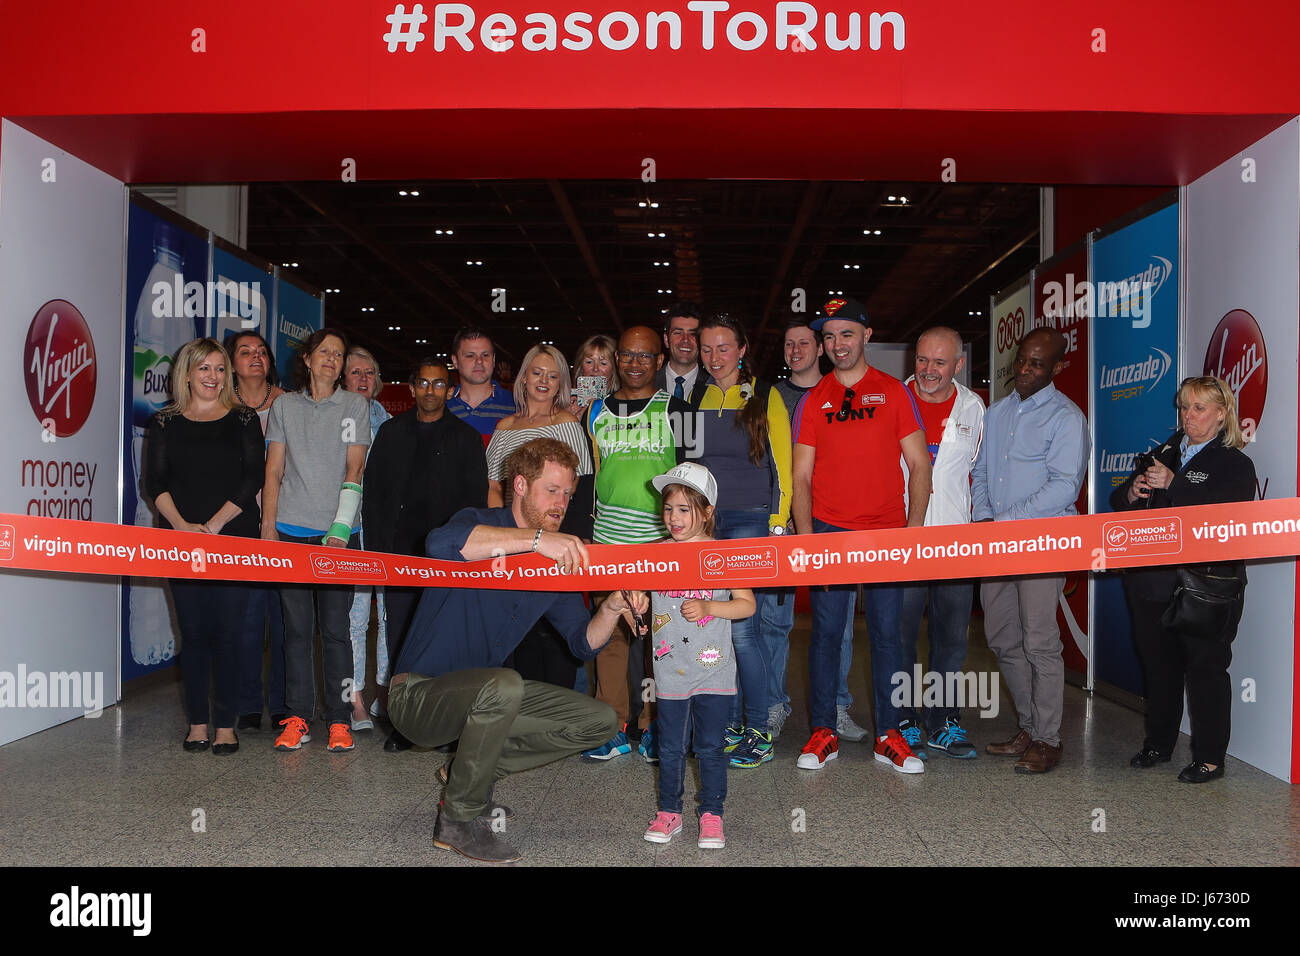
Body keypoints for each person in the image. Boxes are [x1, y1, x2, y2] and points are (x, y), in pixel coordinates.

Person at [387, 438, 645, 864]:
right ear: (521, 485)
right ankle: (458, 818)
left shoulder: (553, 563)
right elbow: (439, 545)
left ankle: (465, 778)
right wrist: (537, 539)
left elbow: (582, 641)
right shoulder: (480, 523)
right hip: (417, 696)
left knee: (599, 720)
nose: (561, 503)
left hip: (484, 698)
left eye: (568, 494)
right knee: (504, 685)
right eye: (552, 490)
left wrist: (613, 606)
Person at [791, 297, 932, 773]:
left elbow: (919, 464)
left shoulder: (894, 392)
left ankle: (889, 734)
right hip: (830, 532)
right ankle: (823, 730)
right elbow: (802, 477)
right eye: (828, 337)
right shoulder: (814, 399)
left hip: (888, 533)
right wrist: (808, 538)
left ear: (867, 336)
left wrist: (912, 533)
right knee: (827, 635)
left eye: (846, 334)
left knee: (889, 638)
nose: (836, 345)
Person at [1111, 376, 1255, 783]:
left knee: (1206, 669)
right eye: (1185, 408)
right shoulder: (1164, 452)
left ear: (1222, 413)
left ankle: (1210, 757)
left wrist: (1174, 486)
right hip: (1152, 582)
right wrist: (1134, 493)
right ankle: (1158, 744)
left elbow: (1227, 517)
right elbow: (1118, 503)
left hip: (1206, 586)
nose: (1189, 417)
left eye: (1200, 409)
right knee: (1159, 668)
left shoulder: (1234, 463)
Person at [972, 327, 1088, 774]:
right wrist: (984, 518)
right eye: (1021, 359)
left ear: (1058, 368)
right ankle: (1028, 725)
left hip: (1042, 543)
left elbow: (1062, 488)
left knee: (1040, 642)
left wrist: (1002, 523)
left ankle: (1048, 738)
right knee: (1003, 639)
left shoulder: (1066, 417)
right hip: (996, 544)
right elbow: (980, 472)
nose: (1023, 369)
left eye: (1036, 363)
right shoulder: (997, 413)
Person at [580, 325, 696, 762]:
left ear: (660, 361)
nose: (633, 363)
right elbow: (588, 477)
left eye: (644, 356)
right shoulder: (593, 412)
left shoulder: (678, 409)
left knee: (657, 638)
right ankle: (610, 725)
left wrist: (687, 537)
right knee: (610, 634)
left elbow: (693, 478)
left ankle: (653, 726)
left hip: (660, 543)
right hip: (608, 541)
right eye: (626, 355)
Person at [362, 358, 488, 753]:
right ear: (412, 388)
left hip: (449, 558)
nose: (431, 391)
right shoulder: (390, 432)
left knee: (449, 641)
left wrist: (466, 556)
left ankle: (452, 727)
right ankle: (404, 726)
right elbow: (375, 497)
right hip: (399, 557)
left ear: (449, 390)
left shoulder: (466, 438)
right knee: (402, 643)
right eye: (424, 383)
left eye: (439, 384)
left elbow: (475, 503)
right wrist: (381, 555)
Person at [144, 338, 263, 756]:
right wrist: (183, 528)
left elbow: (254, 478)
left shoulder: (244, 419)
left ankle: (226, 725)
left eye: (219, 369)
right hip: (181, 543)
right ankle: (198, 722)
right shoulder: (164, 422)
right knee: (193, 635)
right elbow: (154, 483)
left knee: (229, 634)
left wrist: (213, 525)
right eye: (204, 368)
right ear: (188, 374)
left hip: (232, 540)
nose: (213, 377)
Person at [262, 327, 370, 754]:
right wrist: (268, 527)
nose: (332, 360)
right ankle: (297, 717)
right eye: (324, 352)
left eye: (339, 354)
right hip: (290, 532)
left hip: (339, 537)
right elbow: (273, 471)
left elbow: (355, 468)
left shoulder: (354, 405)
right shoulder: (284, 406)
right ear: (307, 358)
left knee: (336, 632)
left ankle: (340, 719)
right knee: (296, 631)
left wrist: (342, 528)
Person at [638, 463, 755, 849]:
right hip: (669, 671)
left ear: (706, 511)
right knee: (669, 746)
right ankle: (669, 812)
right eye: (669, 508)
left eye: (684, 509)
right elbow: (639, 596)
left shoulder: (722, 555)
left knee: (710, 746)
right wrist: (636, 602)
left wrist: (709, 608)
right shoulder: (655, 555)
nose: (674, 517)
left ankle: (711, 815)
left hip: (714, 670)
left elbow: (746, 605)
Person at [694, 312, 791, 768]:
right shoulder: (695, 395)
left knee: (744, 630)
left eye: (724, 348)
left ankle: (758, 728)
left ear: (742, 350)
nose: (715, 358)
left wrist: (777, 522)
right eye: (707, 348)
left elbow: (782, 466)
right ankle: (731, 725)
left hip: (751, 521)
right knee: (716, 627)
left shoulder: (766, 395)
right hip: (708, 523)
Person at [775, 320, 865, 743]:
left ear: (821, 349)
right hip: (781, 525)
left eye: (805, 343)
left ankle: (838, 706)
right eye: (789, 344)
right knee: (775, 622)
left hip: (826, 524)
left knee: (839, 625)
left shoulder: (840, 394)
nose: (796, 350)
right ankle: (773, 707)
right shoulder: (771, 396)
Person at [898, 327, 985, 759]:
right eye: (922, 360)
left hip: (955, 542)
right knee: (899, 638)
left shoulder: (974, 407)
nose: (929, 371)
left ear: (958, 364)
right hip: (902, 538)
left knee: (951, 640)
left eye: (939, 362)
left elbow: (979, 474)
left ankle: (943, 720)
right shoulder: (894, 400)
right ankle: (905, 722)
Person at [487, 344, 594, 688]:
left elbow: (582, 486)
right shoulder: (504, 427)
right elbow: (492, 486)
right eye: (537, 372)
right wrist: (498, 536)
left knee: (554, 628)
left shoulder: (566, 424)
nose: (544, 381)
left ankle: (558, 714)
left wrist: (572, 539)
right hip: (512, 542)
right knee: (513, 626)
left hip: (555, 540)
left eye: (553, 375)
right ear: (523, 378)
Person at [224, 330, 287, 732]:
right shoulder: (222, 406)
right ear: (232, 362)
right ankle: (248, 705)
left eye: (262, 351)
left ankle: (284, 706)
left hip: (284, 524)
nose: (255, 357)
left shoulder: (290, 404)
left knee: (284, 622)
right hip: (239, 526)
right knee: (245, 622)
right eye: (245, 352)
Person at [341, 346, 393, 731]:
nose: (362, 378)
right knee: (355, 618)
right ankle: (354, 697)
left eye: (369, 372)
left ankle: (386, 694)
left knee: (388, 617)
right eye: (355, 371)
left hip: (385, 530)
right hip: (349, 529)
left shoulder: (390, 424)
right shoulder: (334, 415)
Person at [447, 326, 514, 446]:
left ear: (493, 360)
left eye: (485, 355)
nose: (479, 361)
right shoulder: (441, 408)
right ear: (455, 361)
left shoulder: (516, 406)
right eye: (470, 355)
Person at [654, 304, 709, 407]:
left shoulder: (713, 385)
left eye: (693, 334)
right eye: (678, 333)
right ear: (666, 340)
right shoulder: (648, 382)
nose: (685, 340)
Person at [567, 334, 620, 417]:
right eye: (589, 362)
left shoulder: (622, 402)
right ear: (581, 366)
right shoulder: (569, 401)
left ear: (614, 368)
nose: (595, 368)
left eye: (603, 363)